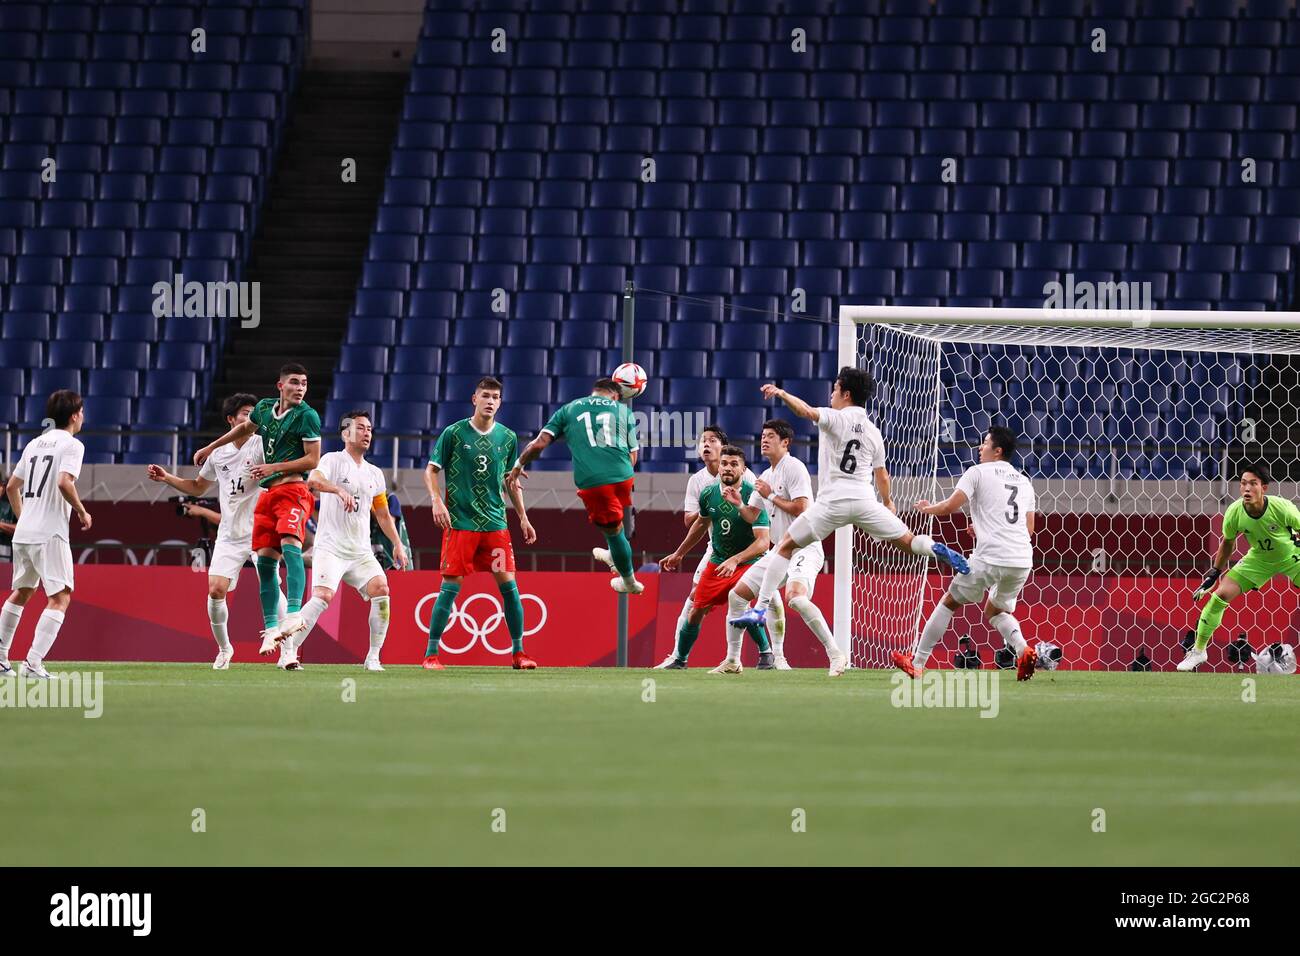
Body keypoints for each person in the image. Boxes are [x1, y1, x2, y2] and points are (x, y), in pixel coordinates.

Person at [729, 368, 969, 634]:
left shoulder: (836, 418)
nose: (831, 395)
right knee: (910, 543)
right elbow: (883, 475)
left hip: (832, 502)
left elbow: (806, 411)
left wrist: (782, 393)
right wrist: (888, 502)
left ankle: (760, 609)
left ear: (846, 394)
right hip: (865, 501)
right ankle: (935, 547)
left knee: (785, 546)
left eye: (834, 389)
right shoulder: (873, 431)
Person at [147, 392, 286, 669]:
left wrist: (270, 473)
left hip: (260, 531)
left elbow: (282, 475)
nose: (251, 418)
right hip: (230, 535)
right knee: (215, 590)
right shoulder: (218, 454)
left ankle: (288, 651)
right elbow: (198, 488)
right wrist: (167, 478)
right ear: (231, 419)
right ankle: (225, 649)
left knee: (272, 585)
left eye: (254, 413)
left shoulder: (262, 445)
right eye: (246, 413)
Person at [893, 426, 1039, 681]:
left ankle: (917, 663)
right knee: (995, 611)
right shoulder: (1024, 482)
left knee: (949, 601)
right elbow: (1028, 528)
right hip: (1021, 560)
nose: (980, 448)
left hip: (991, 556)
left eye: (985, 443)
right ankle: (1023, 650)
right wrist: (983, 528)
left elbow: (950, 506)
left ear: (997, 451)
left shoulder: (977, 472)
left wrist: (927, 510)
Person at [194, 363, 321, 654]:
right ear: (280, 386)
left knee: (290, 544)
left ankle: (293, 614)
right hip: (268, 495)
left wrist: (273, 467)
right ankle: (272, 628)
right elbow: (244, 428)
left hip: (293, 489)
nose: (300, 388)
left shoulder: (308, 416)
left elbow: (313, 460)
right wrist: (210, 447)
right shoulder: (264, 409)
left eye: (304, 383)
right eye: (294, 382)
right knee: (266, 563)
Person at [423, 377, 538, 670]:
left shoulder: (509, 438)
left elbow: (511, 481)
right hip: (460, 523)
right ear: (474, 398)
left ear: (500, 402)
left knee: (510, 587)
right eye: (485, 395)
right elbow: (431, 470)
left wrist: (523, 517)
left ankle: (519, 653)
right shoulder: (454, 433)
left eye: (495, 397)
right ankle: (431, 655)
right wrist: (437, 500)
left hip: (496, 526)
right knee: (450, 587)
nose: (490, 401)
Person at [280, 410, 407, 672]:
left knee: (382, 590)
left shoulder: (374, 473)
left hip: (360, 551)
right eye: (361, 428)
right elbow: (313, 480)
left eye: (370, 429)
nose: (367, 433)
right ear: (345, 433)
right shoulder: (332, 460)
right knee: (323, 596)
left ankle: (373, 657)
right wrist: (338, 489)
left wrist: (397, 543)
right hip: (330, 548)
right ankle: (288, 652)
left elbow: (382, 514)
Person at [730, 418, 847, 676]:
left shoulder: (794, 467)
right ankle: (735, 660)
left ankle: (836, 654)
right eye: (762, 435)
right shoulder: (765, 475)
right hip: (779, 550)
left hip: (805, 547)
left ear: (785, 443)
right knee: (737, 594)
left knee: (794, 598)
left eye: (770, 436)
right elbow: (752, 514)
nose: (764, 439)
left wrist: (771, 494)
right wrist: (739, 504)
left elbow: (802, 507)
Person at [507, 377, 641, 595]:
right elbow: (633, 456)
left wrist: (519, 463)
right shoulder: (623, 411)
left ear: (594, 392)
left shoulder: (569, 409)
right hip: (624, 476)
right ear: (615, 396)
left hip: (596, 481)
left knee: (614, 530)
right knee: (612, 524)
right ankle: (613, 552)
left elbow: (539, 444)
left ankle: (629, 581)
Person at [0, 390, 92, 678]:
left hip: (25, 533)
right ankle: (32, 663)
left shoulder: (34, 444)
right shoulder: (73, 445)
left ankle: (1, 660)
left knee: (22, 592)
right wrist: (81, 510)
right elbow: (65, 482)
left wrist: (24, 516)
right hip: (50, 533)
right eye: (82, 411)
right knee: (61, 596)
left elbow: (12, 487)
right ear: (75, 414)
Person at [658, 445, 774, 669]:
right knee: (696, 608)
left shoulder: (753, 496)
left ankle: (765, 654)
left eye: (734, 464)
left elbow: (762, 543)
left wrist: (736, 560)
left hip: (749, 561)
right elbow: (701, 525)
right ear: (718, 467)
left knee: (738, 599)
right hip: (719, 560)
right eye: (724, 463)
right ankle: (680, 660)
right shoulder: (708, 494)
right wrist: (679, 553)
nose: (728, 468)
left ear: (743, 469)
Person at [1179, 462, 1300, 671]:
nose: (1246, 488)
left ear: (1264, 488)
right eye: (1243, 483)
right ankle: (1198, 651)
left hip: (1291, 556)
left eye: (1253, 484)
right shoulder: (1235, 512)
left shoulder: (1283, 508)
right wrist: (1213, 574)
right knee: (1219, 596)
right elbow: (1227, 543)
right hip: (1258, 559)